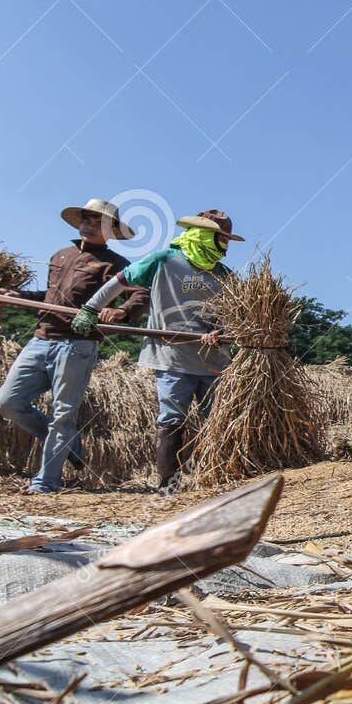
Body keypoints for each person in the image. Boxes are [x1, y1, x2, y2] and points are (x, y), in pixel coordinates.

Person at [76, 209, 243, 493]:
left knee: (217, 420)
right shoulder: (165, 261)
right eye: (221, 239)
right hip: (172, 358)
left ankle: (216, 480)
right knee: (171, 420)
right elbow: (121, 280)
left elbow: (238, 318)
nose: (225, 248)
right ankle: (168, 486)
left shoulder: (226, 276)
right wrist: (90, 308)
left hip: (214, 362)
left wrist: (224, 334)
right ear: (204, 235)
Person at [0, 198, 146, 495]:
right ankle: (68, 443)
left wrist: (121, 312)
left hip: (78, 345)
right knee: (7, 402)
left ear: (111, 230)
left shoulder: (117, 265)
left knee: (64, 415)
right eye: (85, 219)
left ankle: (45, 482)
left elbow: (140, 294)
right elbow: (49, 296)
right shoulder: (60, 255)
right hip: (41, 339)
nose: (88, 225)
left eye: (96, 222)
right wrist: (12, 295)